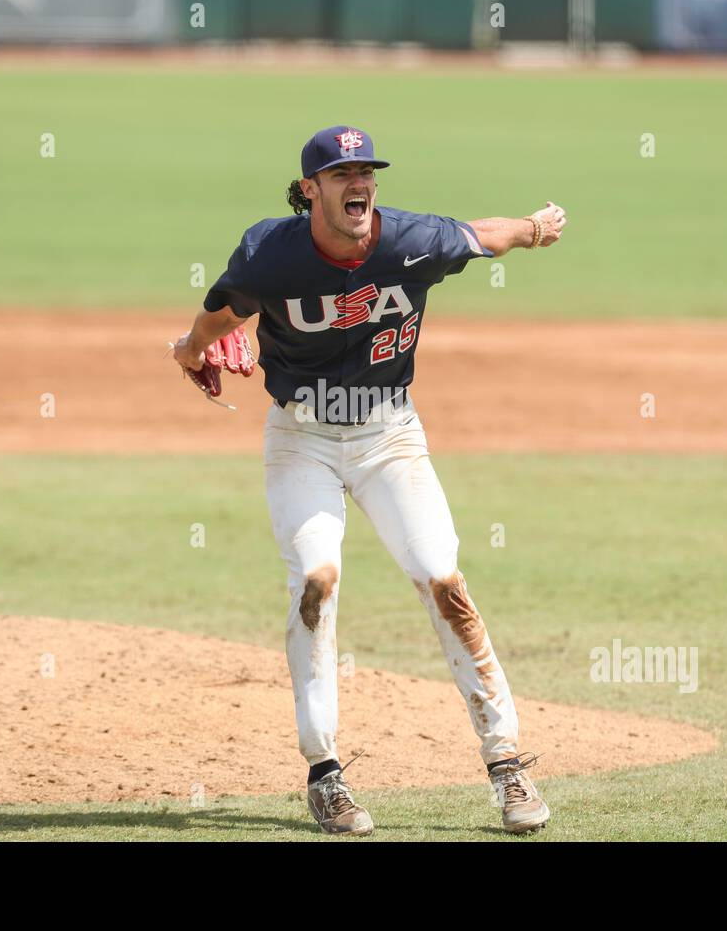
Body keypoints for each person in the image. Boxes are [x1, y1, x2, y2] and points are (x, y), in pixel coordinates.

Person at [173, 125, 566, 836]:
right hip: (303, 441)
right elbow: (226, 306)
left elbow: (484, 234)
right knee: (316, 581)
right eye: (342, 172)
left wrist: (536, 228)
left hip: (390, 437)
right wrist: (190, 348)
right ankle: (325, 776)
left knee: (444, 579)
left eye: (367, 170)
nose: (359, 182)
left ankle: (508, 764)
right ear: (310, 190)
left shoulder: (409, 240)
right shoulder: (272, 251)